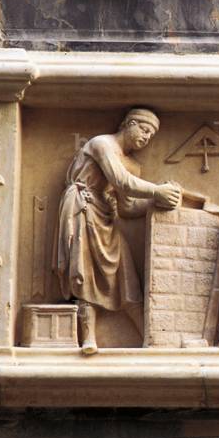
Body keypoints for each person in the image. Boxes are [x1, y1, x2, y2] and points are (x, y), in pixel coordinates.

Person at [53, 108, 182, 354]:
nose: (146, 138)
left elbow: (128, 206)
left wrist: (159, 201)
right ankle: (88, 338)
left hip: (107, 218)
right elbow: (120, 180)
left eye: (151, 135)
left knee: (127, 275)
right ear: (129, 124)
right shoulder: (102, 144)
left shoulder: (133, 166)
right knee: (85, 272)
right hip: (84, 209)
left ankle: (150, 338)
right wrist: (156, 191)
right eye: (144, 130)